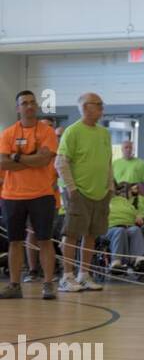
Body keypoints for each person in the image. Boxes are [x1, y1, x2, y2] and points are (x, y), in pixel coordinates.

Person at [0, 92, 59, 299]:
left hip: (41, 194)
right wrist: (30, 158)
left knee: (44, 240)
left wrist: (16, 157)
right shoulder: (8, 133)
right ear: (18, 108)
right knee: (14, 242)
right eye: (24, 103)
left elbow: (44, 161)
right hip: (12, 196)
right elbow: (2, 162)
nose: (29, 106)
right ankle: (15, 285)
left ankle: (48, 284)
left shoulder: (47, 132)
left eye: (32, 102)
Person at [55, 92, 113, 292]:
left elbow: (107, 162)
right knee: (72, 234)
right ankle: (67, 276)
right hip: (78, 192)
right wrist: (72, 189)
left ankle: (84, 275)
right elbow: (61, 162)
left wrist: (110, 187)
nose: (102, 109)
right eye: (99, 105)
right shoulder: (72, 131)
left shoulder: (104, 133)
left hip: (101, 193)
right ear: (86, 107)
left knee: (92, 235)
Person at [106, 183, 144, 272]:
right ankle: (116, 260)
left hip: (128, 226)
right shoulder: (100, 200)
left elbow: (133, 210)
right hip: (108, 228)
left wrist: (138, 216)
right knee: (119, 231)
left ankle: (140, 258)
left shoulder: (122, 200)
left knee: (135, 230)